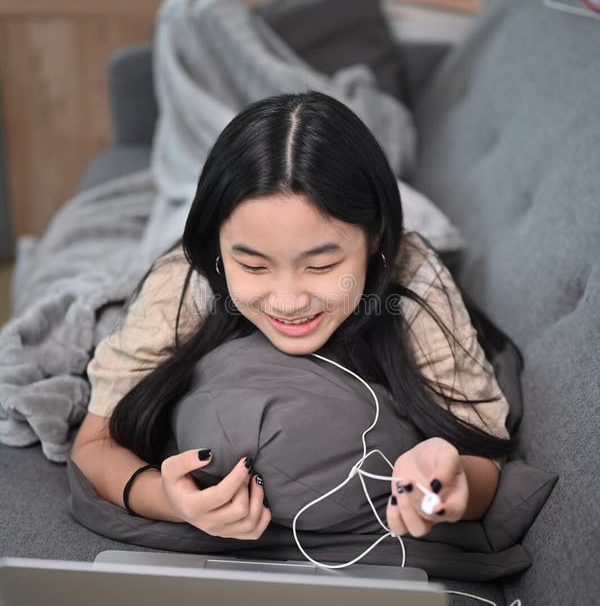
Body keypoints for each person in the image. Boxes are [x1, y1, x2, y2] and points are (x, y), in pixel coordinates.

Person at [72, 90, 512, 544]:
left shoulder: (414, 279)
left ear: (376, 235)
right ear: (219, 250)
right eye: (254, 266)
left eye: (320, 266)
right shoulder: (185, 282)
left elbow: (483, 455)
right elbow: (94, 445)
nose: (287, 301)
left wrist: (448, 479)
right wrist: (168, 499)